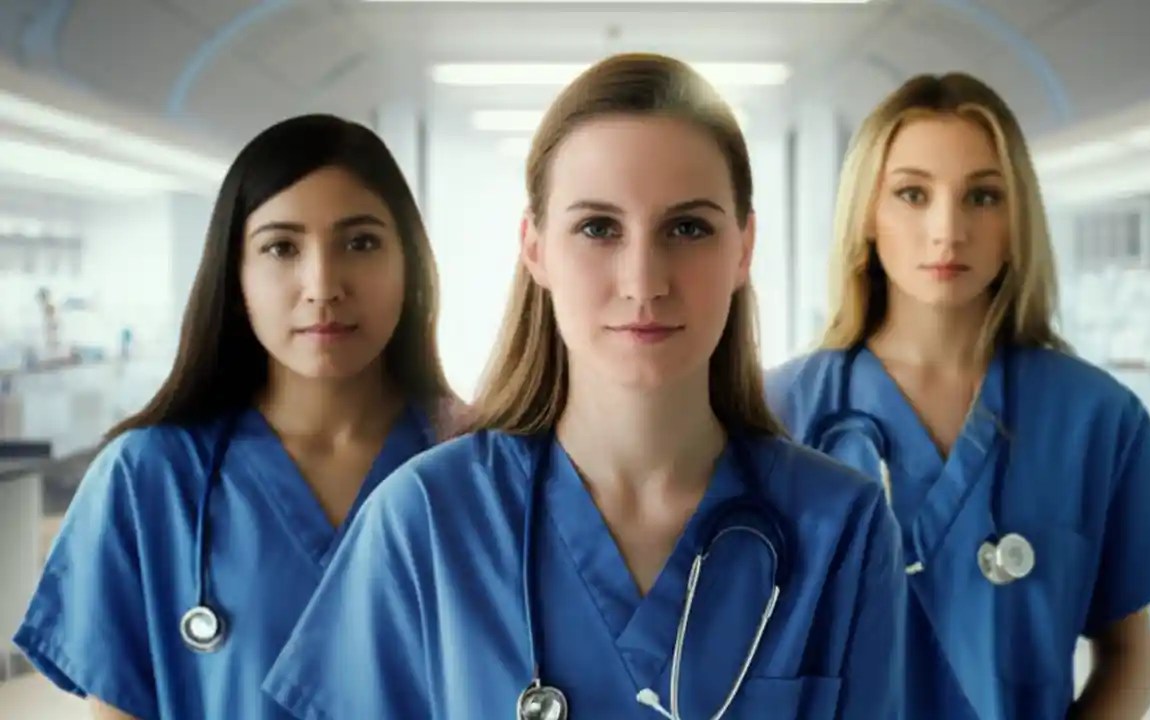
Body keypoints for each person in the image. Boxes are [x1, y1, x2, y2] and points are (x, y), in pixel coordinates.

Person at [263, 53, 905, 720]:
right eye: (598, 228)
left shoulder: (842, 530)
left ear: (742, 248)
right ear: (534, 247)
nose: (643, 281)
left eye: (687, 228)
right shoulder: (424, 522)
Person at [766, 73, 1150, 719]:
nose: (947, 231)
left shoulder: (1095, 418)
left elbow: (1130, 657)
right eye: (913, 194)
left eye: (982, 196)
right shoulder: (780, 413)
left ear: (1016, 220)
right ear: (868, 213)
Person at [13, 114, 461, 720]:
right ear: (236, 276)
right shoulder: (149, 479)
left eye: (360, 243)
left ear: (409, 263)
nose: (322, 285)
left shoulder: (483, 468)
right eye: (282, 247)